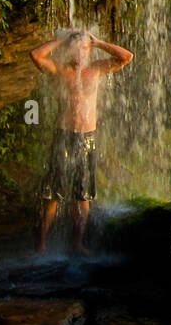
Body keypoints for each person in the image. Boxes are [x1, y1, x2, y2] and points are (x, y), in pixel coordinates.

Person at [29, 30, 133, 254]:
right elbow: (36, 55)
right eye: (77, 47)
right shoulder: (61, 70)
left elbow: (126, 57)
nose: (80, 51)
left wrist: (99, 42)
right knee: (53, 193)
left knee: (82, 194)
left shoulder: (96, 69)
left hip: (87, 137)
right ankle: (41, 245)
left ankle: (78, 244)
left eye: (85, 48)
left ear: (89, 50)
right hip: (64, 134)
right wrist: (62, 41)